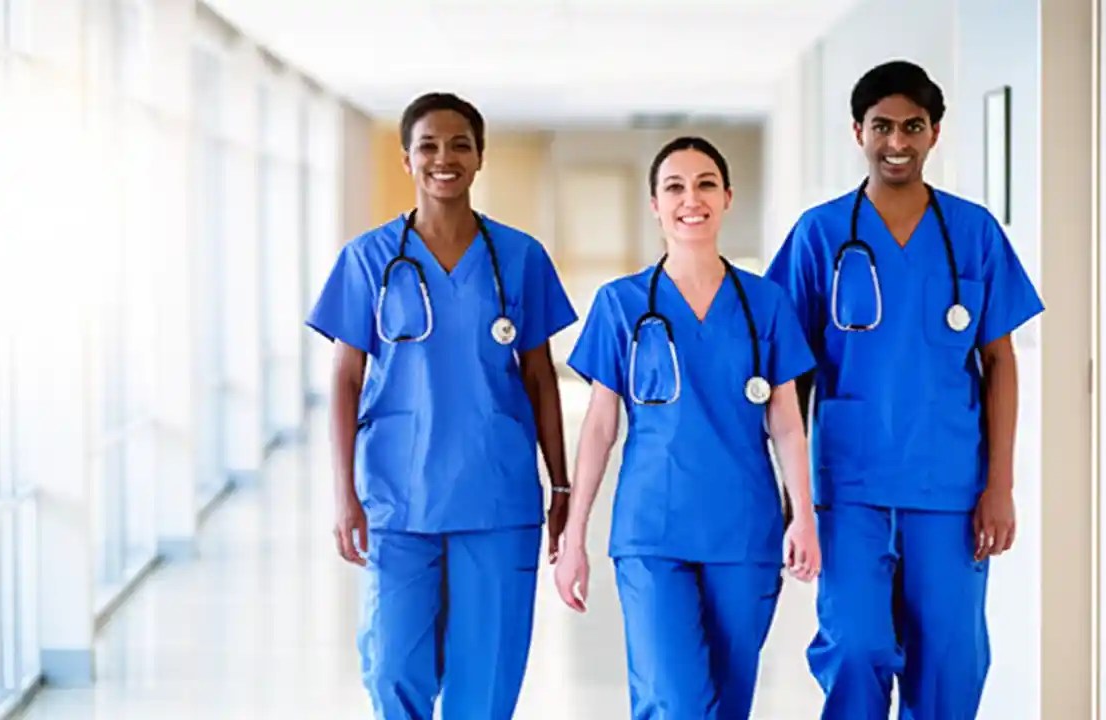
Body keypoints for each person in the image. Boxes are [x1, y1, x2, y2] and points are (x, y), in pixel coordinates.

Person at [765, 60, 1045, 719]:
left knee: (951, 661)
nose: (897, 142)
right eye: (883, 126)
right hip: (850, 486)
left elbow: (1000, 362)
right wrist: (792, 493)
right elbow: (790, 374)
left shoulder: (972, 232)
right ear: (857, 131)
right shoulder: (820, 234)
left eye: (912, 127)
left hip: (948, 487)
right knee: (856, 649)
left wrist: (999, 485)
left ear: (934, 133)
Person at [304, 91, 578, 720]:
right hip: (398, 496)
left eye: (459, 144)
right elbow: (346, 378)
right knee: (394, 665)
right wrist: (343, 492)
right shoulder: (369, 259)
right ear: (407, 159)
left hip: (498, 494)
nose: (443, 158)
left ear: (480, 157)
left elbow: (540, 377)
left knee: (486, 679)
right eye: (428, 145)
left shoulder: (520, 257)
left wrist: (560, 488)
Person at [553, 136, 821, 720]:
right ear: (654, 203)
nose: (689, 199)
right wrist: (574, 539)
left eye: (704, 184)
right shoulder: (622, 304)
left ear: (727, 197)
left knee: (727, 703)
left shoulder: (765, 304)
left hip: (744, 532)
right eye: (673, 186)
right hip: (652, 533)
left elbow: (787, 422)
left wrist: (804, 515)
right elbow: (600, 427)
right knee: (674, 699)